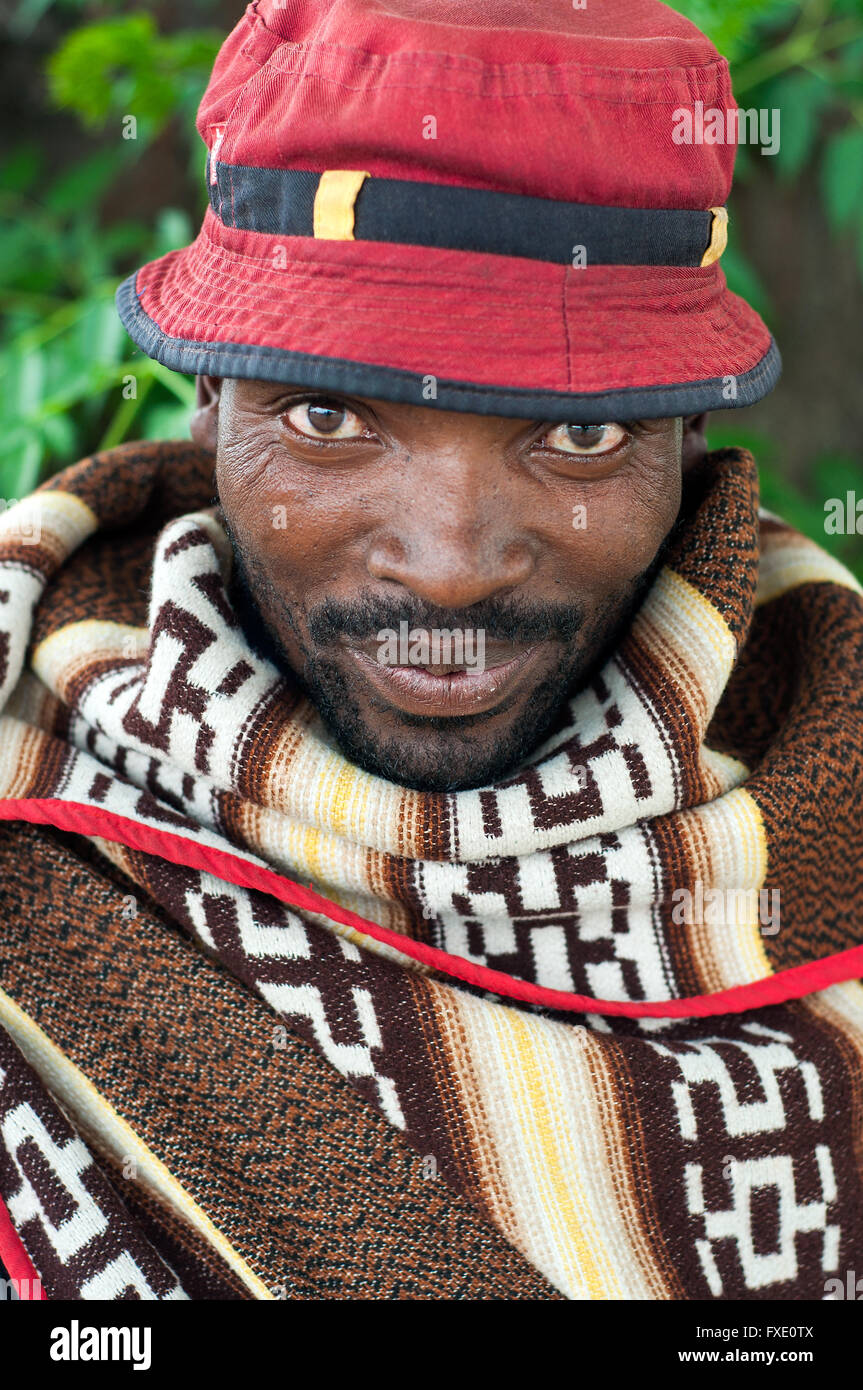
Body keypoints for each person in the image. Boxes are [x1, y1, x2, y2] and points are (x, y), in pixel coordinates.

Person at [0, 0, 860, 1302]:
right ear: (210, 403)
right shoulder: (28, 827)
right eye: (332, 414)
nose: (451, 561)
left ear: (688, 439)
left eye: (575, 436)